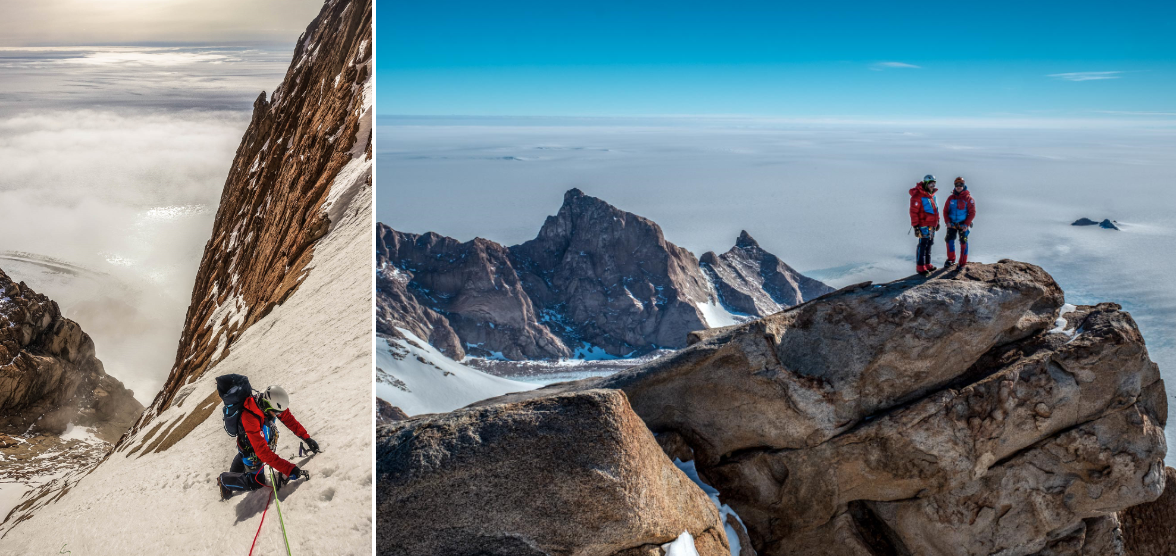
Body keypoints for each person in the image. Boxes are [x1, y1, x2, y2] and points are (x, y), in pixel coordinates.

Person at [216, 385, 320, 499]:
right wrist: (289, 469)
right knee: (255, 482)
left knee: (243, 457)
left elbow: (289, 419)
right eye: (275, 412)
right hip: (251, 451)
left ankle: (234, 474)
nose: (277, 415)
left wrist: (307, 438)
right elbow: (263, 452)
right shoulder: (250, 417)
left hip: (251, 443)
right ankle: (224, 480)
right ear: (267, 406)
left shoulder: (268, 405)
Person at [909, 174, 941, 276]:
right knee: (923, 245)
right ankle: (920, 267)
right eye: (931, 184)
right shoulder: (918, 196)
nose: (932, 186)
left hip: (932, 224)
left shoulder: (932, 195)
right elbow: (913, 212)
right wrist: (916, 227)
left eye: (934, 184)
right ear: (926, 183)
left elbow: (936, 210)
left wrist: (938, 222)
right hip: (923, 225)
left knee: (929, 244)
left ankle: (927, 264)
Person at [943, 176, 976, 267]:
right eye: (957, 184)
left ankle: (962, 263)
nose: (958, 186)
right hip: (952, 224)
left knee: (963, 242)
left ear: (964, 185)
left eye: (961, 184)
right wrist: (948, 222)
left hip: (963, 224)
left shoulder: (968, 199)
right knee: (949, 240)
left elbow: (972, 212)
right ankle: (951, 260)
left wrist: (966, 224)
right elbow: (945, 211)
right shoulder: (951, 198)